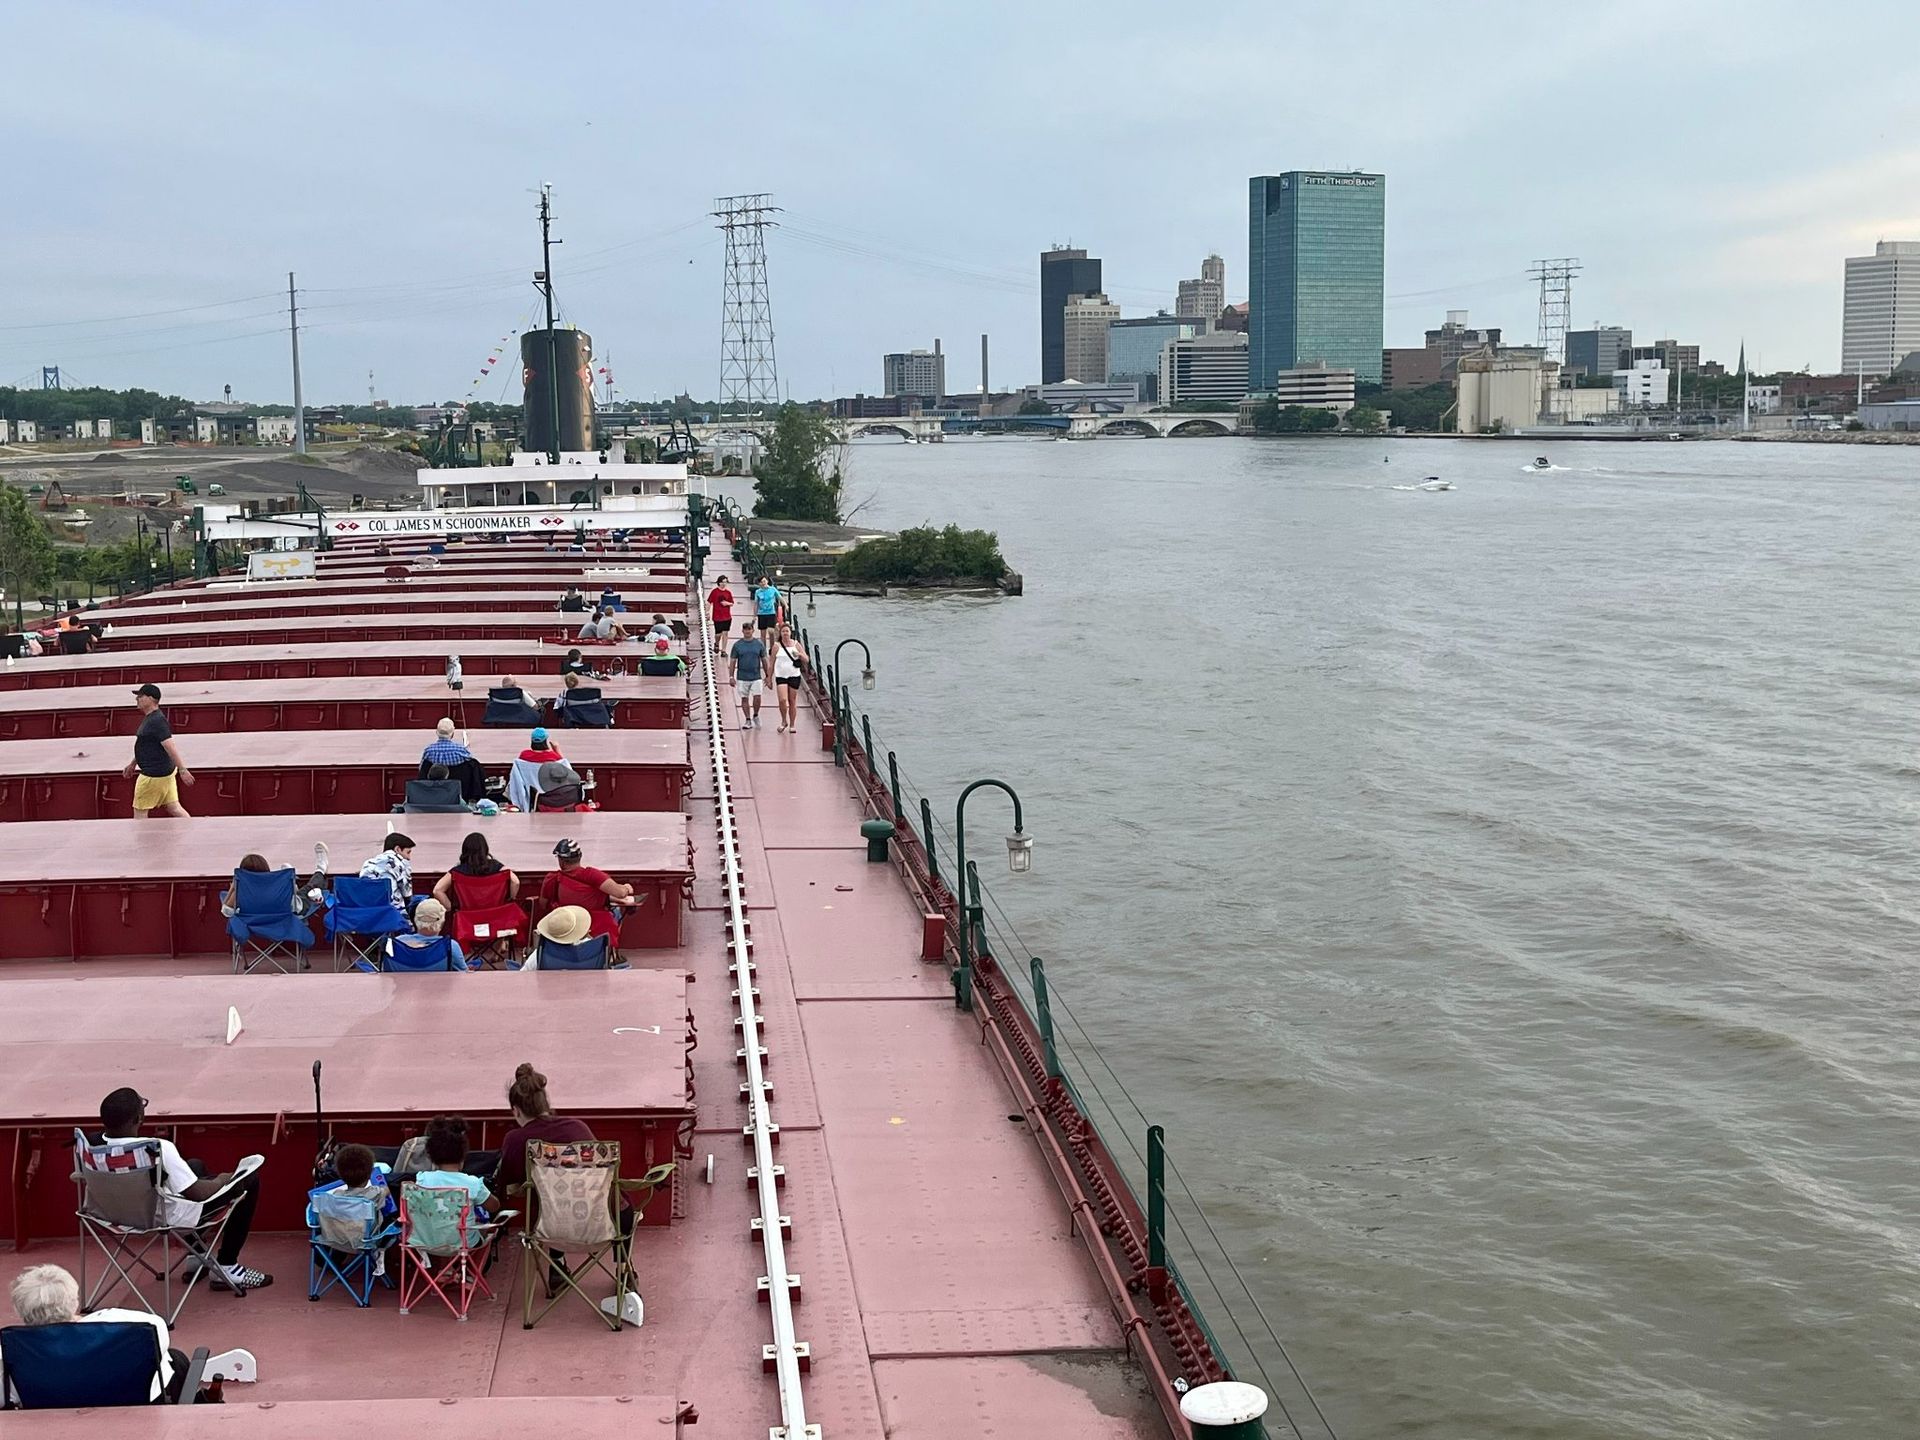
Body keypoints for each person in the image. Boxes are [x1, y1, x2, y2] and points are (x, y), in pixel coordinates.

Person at [97, 1087, 270, 1291]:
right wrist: (225, 1179)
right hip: (163, 1218)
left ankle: (196, 1256)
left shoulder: (91, 1148)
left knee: (194, 1165)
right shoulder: (157, 1148)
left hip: (114, 1216)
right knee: (249, 1180)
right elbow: (197, 1193)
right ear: (137, 1119)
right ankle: (227, 1266)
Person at [9, 1264, 189, 1403]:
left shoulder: (13, 1350)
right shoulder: (131, 1325)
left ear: (20, 1310)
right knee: (175, 1359)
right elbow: (160, 1334)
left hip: (54, 1421)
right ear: (74, 1300)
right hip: (133, 1413)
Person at [308, 1143, 396, 1278]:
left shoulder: (334, 1195)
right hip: (366, 1241)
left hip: (334, 1239)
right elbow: (387, 1190)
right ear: (369, 1173)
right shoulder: (374, 1193)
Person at [539, 837, 635, 942]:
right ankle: (612, 953)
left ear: (561, 861)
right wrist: (626, 887)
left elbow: (543, 904)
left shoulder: (552, 879)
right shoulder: (592, 875)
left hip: (566, 924)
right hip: (595, 925)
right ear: (580, 856)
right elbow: (620, 893)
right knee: (616, 911)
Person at [124, 683, 193, 819]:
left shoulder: (157, 721)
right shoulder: (152, 718)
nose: (137, 699)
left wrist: (183, 770)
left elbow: (170, 746)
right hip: (165, 773)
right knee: (174, 807)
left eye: (140, 696)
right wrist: (133, 764)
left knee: (140, 815)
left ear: (150, 698)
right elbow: (145, 745)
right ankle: (190, 831)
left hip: (153, 777)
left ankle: (142, 839)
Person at [412, 1116, 494, 1215]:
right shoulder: (473, 1183)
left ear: (431, 1156)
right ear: (463, 1155)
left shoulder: (422, 1179)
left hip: (427, 1230)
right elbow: (494, 1207)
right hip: (464, 1231)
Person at [221, 844, 329, 918]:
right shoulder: (274, 884)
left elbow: (226, 911)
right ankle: (320, 869)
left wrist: (233, 888)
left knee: (298, 893)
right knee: (308, 888)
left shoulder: (242, 891)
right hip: (286, 916)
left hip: (254, 924)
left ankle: (291, 881)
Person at [386, 898, 472, 971]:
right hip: (439, 990)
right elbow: (463, 976)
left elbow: (385, 974)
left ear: (415, 919)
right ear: (442, 922)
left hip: (401, 989)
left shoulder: (395, 944)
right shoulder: (450, 946)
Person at [359, 833, 418, 913]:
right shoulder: (401, 864)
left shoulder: (367, 863)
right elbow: (407, 895)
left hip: (368, 912)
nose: (409, 857)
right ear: (397, 849)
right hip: (393, 914)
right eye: (408, 852)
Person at [770, 623, 807, 734]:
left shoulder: (796, 644)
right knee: (782, 700)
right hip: (781, 675)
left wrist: (799, 654)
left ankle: (792, 724)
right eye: (783, 631)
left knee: (792, 701)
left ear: (790, 633)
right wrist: (768, 677)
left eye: (787, 631)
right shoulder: (776, 646)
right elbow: (771, 663)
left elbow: (806, 659)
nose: (785, 633)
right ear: (780, 633)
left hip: (794, 675)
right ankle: (783, 720)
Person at [730, 621, 767, 730]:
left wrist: (768, 675)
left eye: (749, 629)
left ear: (752, 630)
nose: (747, 631)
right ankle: (747, 719)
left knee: (757, 696)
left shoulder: (759, 644)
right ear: (742, 631)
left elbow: (764, 660)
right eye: (745, 629)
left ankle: (755, 714)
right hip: (742, 677)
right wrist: (731, 676)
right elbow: (733, 661)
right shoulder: (737, 645)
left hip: (756, 676)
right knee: (744, 698)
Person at [707, 574, 734, 656]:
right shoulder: (714, 592)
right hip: (717, 616)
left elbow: (732, 603)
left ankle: (723, 650)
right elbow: (709, 602)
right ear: (719, 582)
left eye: (725, 582)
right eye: (722, 582)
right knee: (718, 634)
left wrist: (727, 603)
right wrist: (707, 612)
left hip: (727, 616)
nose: (724, 584)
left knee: (725, 633)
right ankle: (717, 643)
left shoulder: (728, 593)